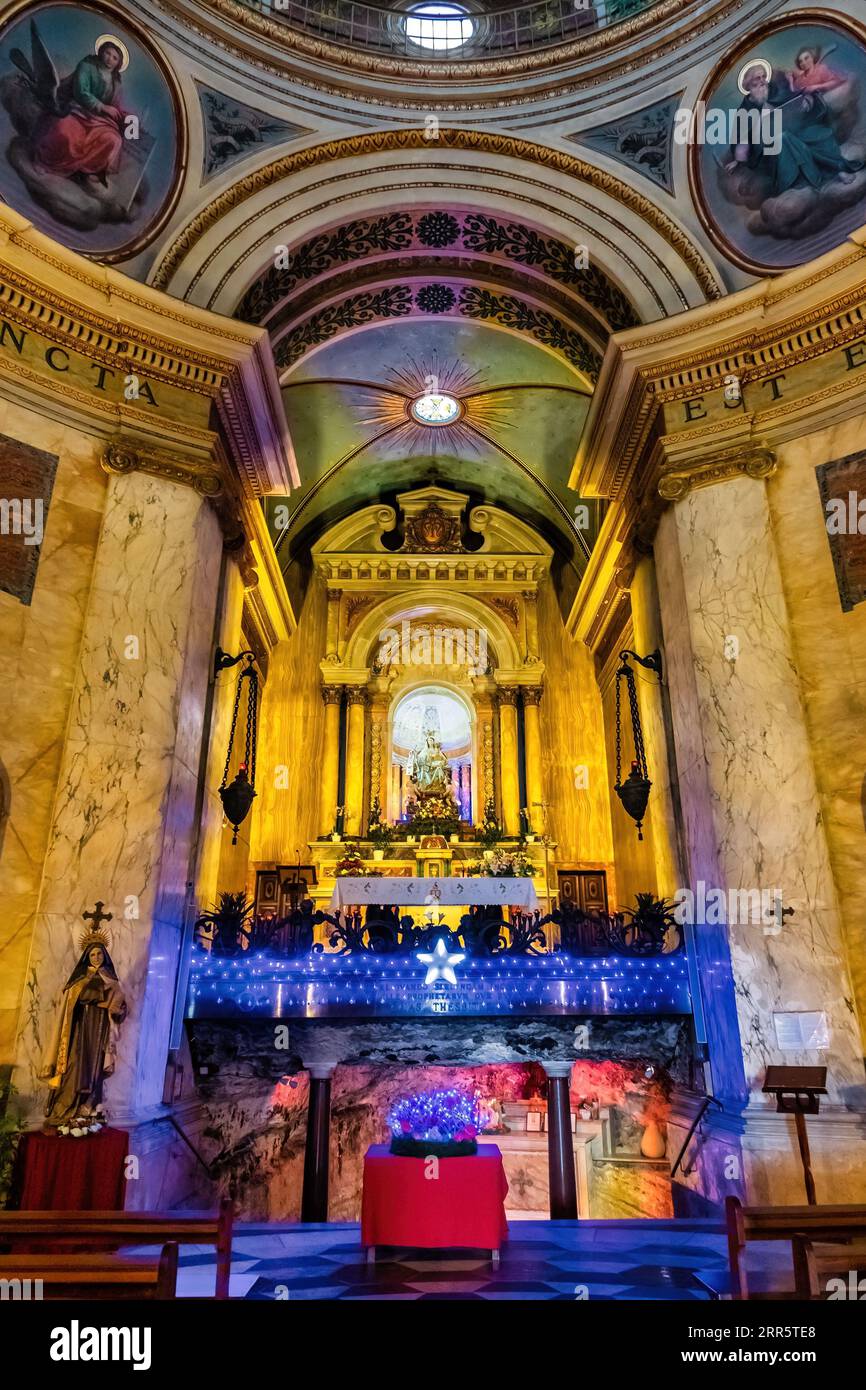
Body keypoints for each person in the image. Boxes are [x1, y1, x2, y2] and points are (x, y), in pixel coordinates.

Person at [725, 62, 860, 192]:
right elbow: (741, 139)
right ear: (748, 85)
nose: (762, 81)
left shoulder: (775, 91)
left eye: (763, 77)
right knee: (785, 139)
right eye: (757, 79)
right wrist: (737, 160)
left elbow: (795, 96)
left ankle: (836, 170)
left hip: (795, 129)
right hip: (771, 149)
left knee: (817, 134)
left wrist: (808, 100)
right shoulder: (745, 110)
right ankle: (831, 173)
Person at [40, 936, 128, 1126]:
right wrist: (98, 998)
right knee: (74, 1065)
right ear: (87, 957)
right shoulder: (78, 980)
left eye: (99, 954)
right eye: (92, 954)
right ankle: (64, 1107)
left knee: (94, 1068)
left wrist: (117, 1009)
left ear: (105, 956)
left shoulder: (111, 980)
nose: (96, 958)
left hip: (99, 1031)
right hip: (80, 1028)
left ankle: (88, 1108)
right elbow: (71, 1003)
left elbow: (121, 1010)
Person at [33, 41, 128, 188]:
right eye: (108, 53)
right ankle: (46, 163)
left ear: (118, 63)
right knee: (65, 132)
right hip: (78, 110)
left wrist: (122, 117)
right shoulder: (87, 66)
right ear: (101, 52)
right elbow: (81, 92)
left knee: (113, 140)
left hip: (99, 120)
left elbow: (115, 107)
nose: (110, 59)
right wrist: (102, 106)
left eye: (115, 58)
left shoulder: (116, 82)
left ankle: (87, 172)